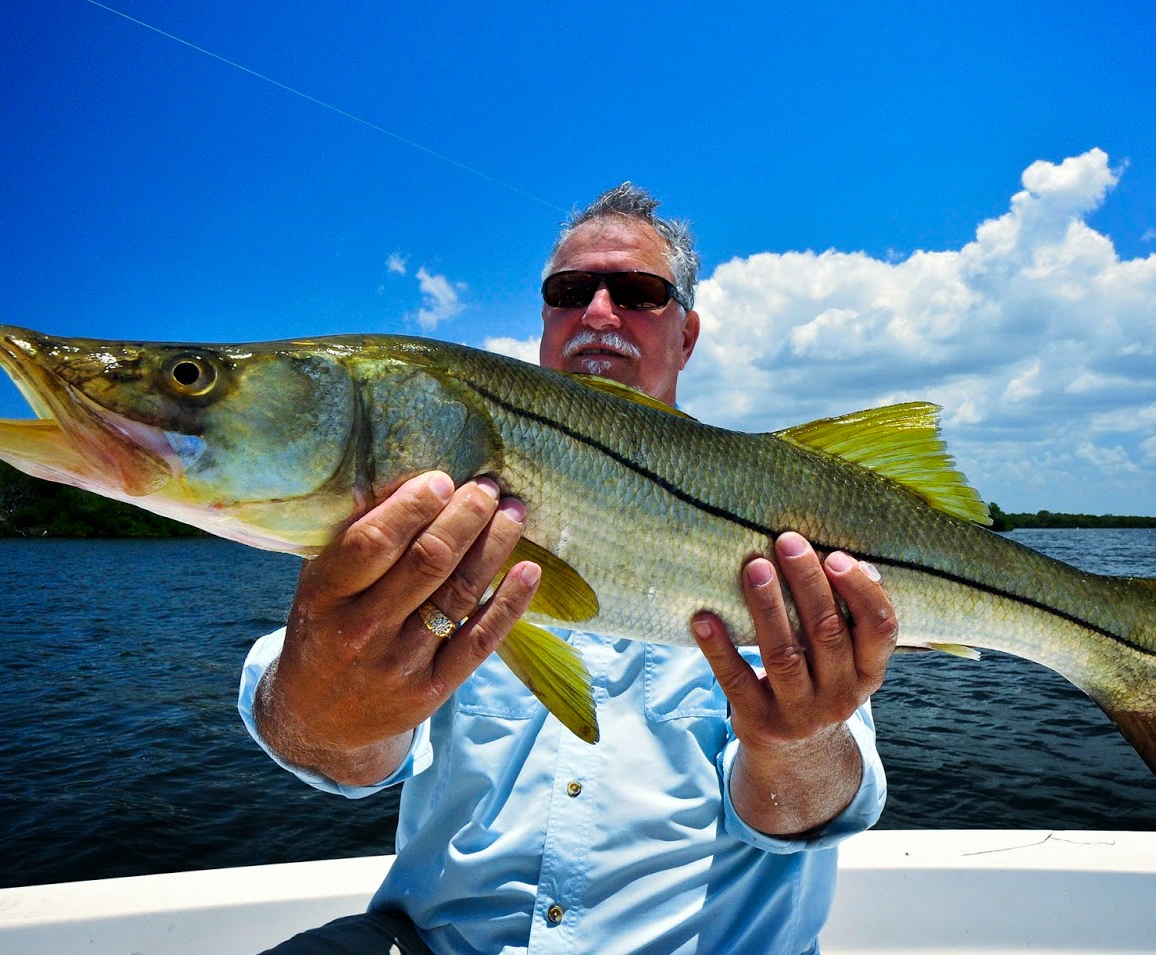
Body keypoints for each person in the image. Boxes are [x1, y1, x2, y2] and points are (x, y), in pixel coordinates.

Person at [239, 184, 897, 954]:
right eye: (570, 291)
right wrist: (322, 703)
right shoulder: (425, 503)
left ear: (686, 335)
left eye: (639, 292)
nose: (599, 312)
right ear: (546, 320)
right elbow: (342, 755)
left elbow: (803, 810)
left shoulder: (793, 523)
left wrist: (796, 745)